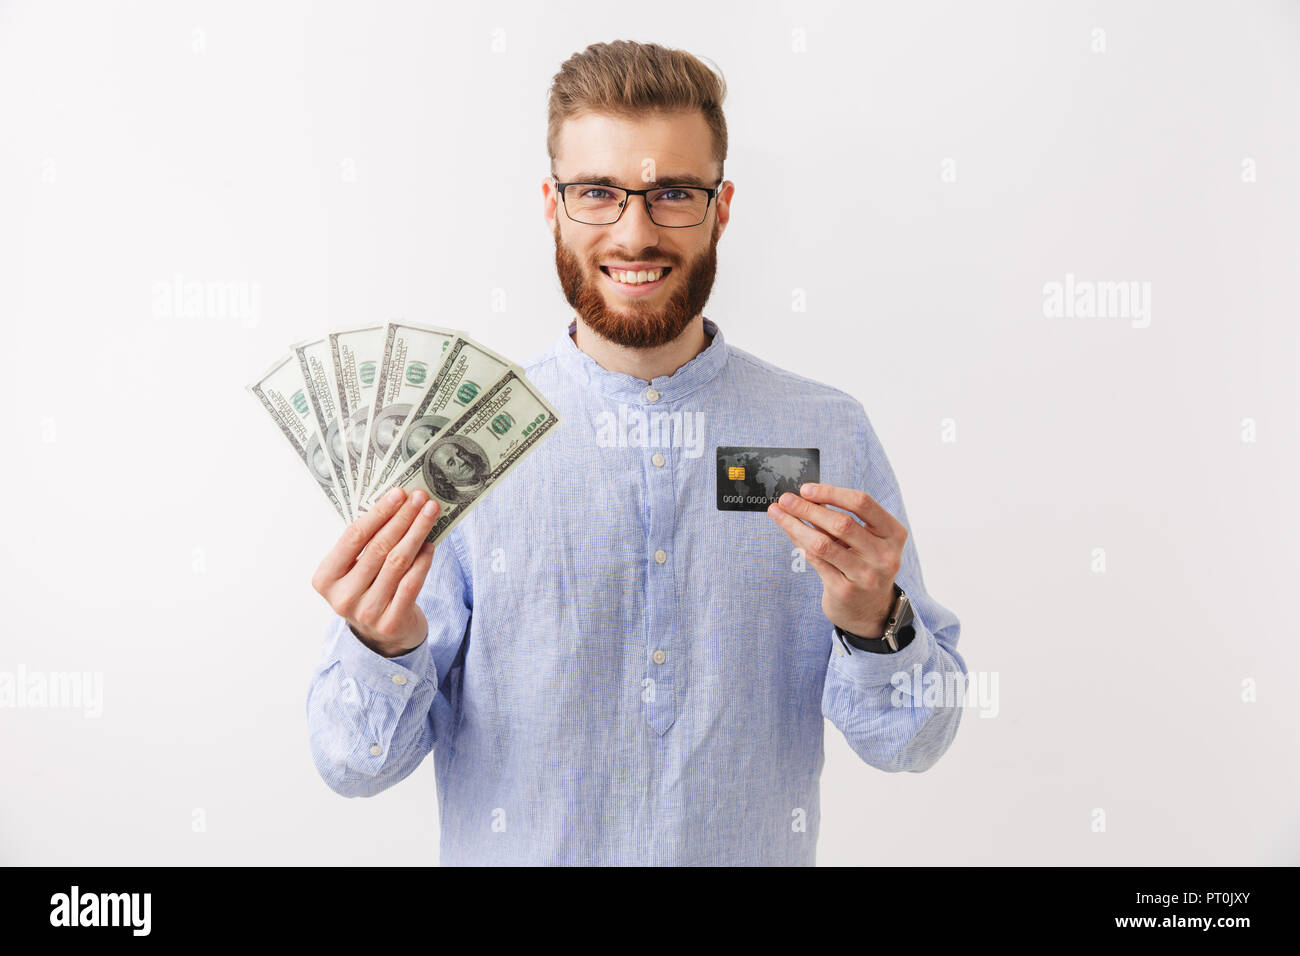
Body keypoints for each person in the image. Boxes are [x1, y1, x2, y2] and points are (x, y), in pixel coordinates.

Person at [306, 40, 967, 866]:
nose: (635, 232)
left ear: (722, 208)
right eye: (597, 194)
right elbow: (350, 764)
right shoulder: (459, 442)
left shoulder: (830, 431)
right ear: (552, 205)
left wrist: (877, 627)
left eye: (673, 194)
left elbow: (913, 743)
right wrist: (383, 647)